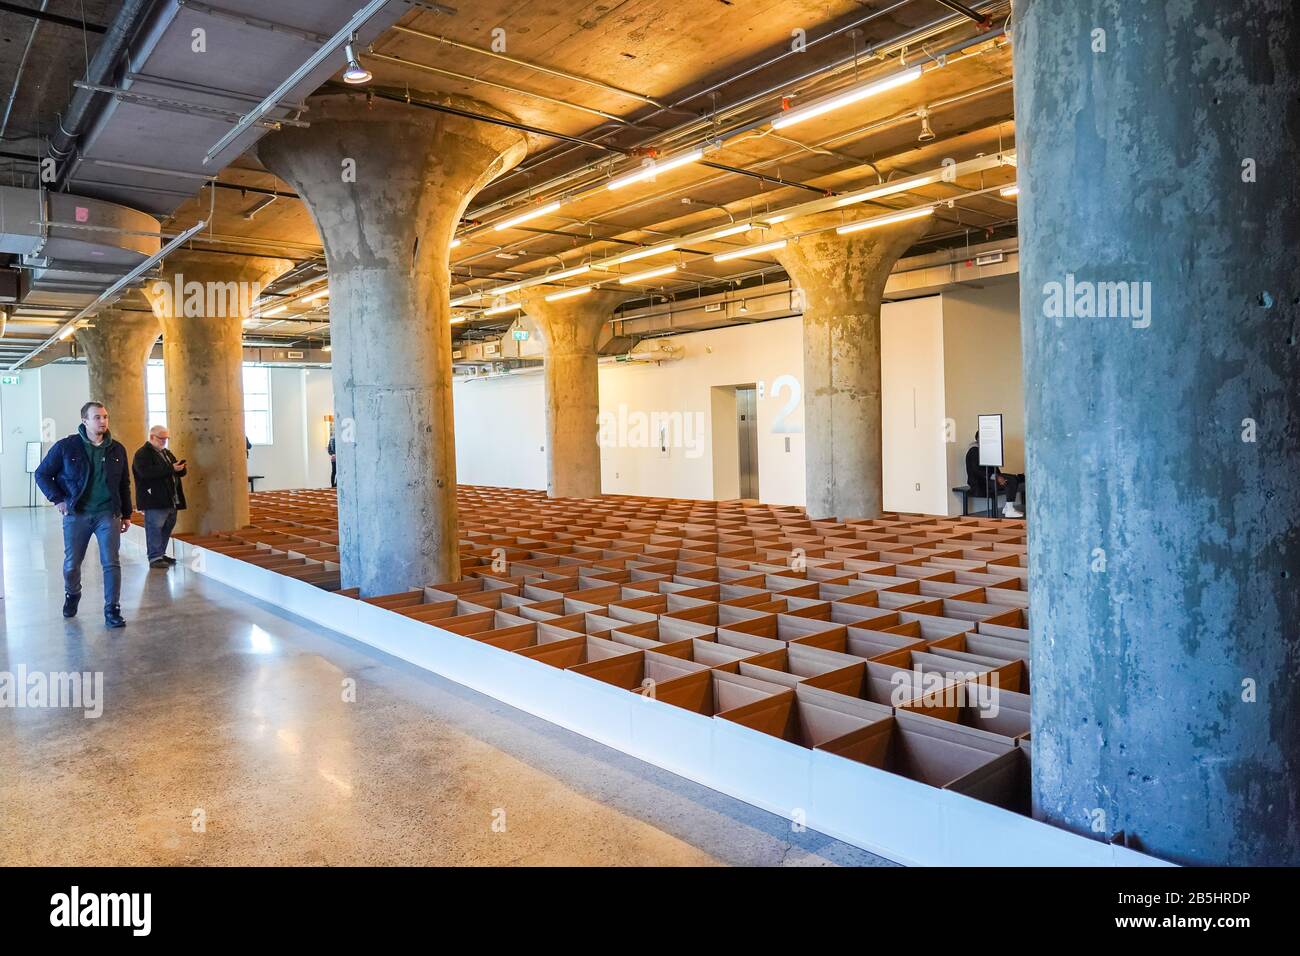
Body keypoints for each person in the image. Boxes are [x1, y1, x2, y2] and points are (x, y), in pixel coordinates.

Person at [33, 401, 133, 628]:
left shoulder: (117, 449)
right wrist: (57, 499)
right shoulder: (66, 447)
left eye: (105, 417)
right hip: (77, 514)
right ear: (85, 421)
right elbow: (42, 474)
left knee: (111, 563)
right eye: (97, 417)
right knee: (72, 565)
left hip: (108, 514)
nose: (103, 421)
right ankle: (72, 593)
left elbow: (124, 484)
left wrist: (126, 514)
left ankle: (112, 609)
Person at [133, 425, 187, 569]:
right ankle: (155, 557)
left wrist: (181, 469)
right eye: (161, 438)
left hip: (170, 498)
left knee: (167, 526)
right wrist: (171, 468)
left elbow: (175, 471)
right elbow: (145, 473)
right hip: (154, 499)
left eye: (166, 438)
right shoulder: (142, 454)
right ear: (152, 437)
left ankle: (160, 553)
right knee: (154, 528)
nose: (164, 441)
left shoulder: (166, 453)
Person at [965, 431, 1025, 518]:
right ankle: (1009, 509)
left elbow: (994, 468)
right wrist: (996, 477)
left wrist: (999, 476)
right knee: (1010, 481)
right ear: (978, 439)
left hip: (989, 478)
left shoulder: (985, 450)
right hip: (980, 482)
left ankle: (1007, 507)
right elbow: (977, 471)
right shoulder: (974, 450)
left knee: (1013, 478)